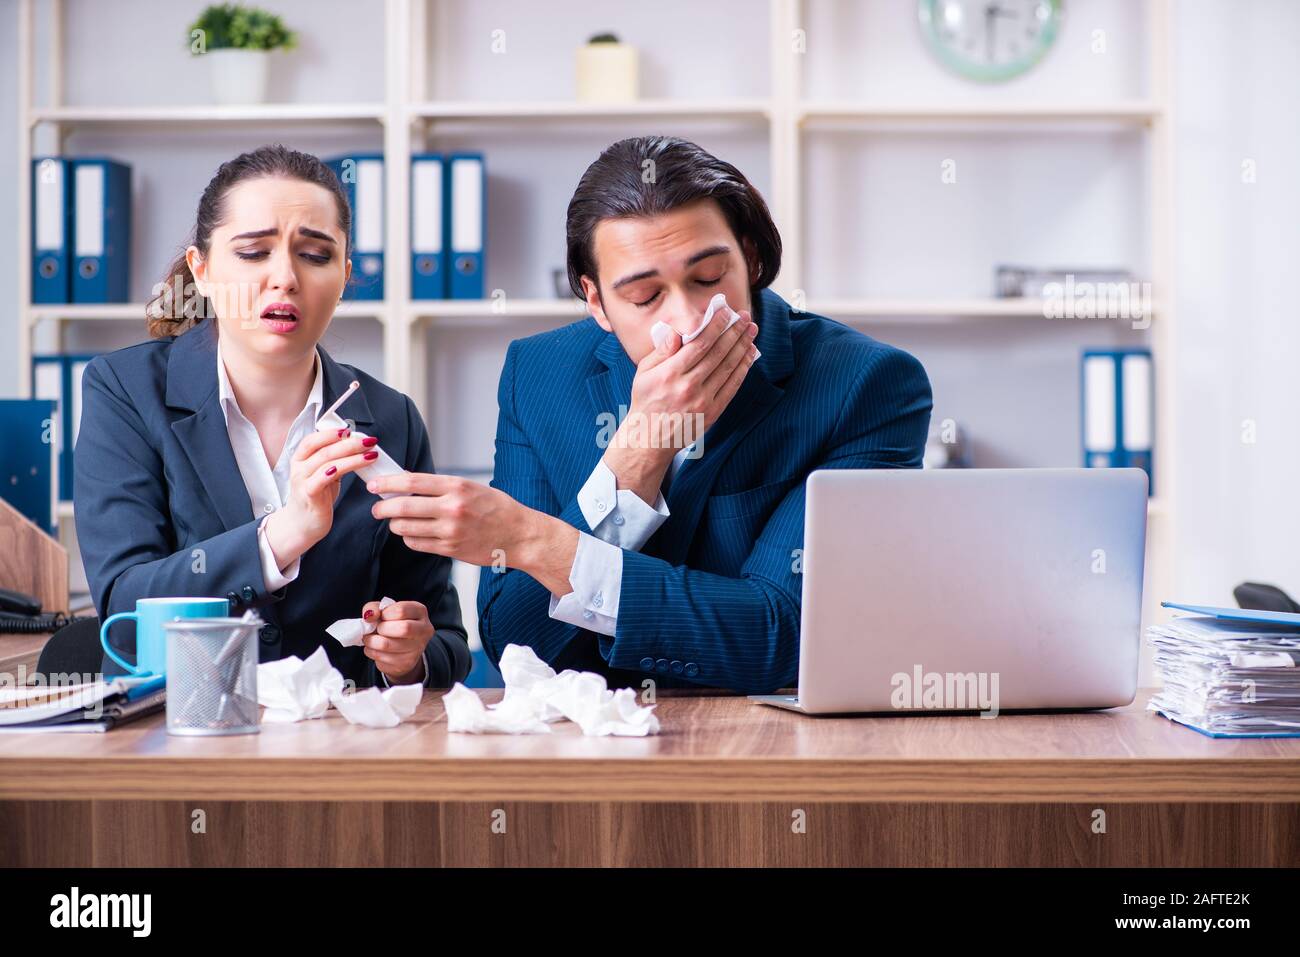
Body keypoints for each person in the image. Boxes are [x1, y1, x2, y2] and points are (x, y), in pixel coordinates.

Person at [367, 135, 933, 694]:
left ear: (751, 259)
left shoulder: (867, 384)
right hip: (588, 751)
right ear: (597, 303)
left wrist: (538, 543)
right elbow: (518, 646)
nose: (689, 321)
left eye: (710, 279)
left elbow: (787, 635)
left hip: (772, 745)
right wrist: (639, 451)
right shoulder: (537, 374)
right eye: (644, 297)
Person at [76, 144, 470, 689]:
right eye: (254, 253)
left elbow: (446, 640)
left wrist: (409, 655)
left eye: (314, 255)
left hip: (337, 748)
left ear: (344, 276)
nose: (284, 277)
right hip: (176, 737)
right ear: (203, 268)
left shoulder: (389, 416)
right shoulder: (125, 390)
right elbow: (126, 611)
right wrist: (284, 535)